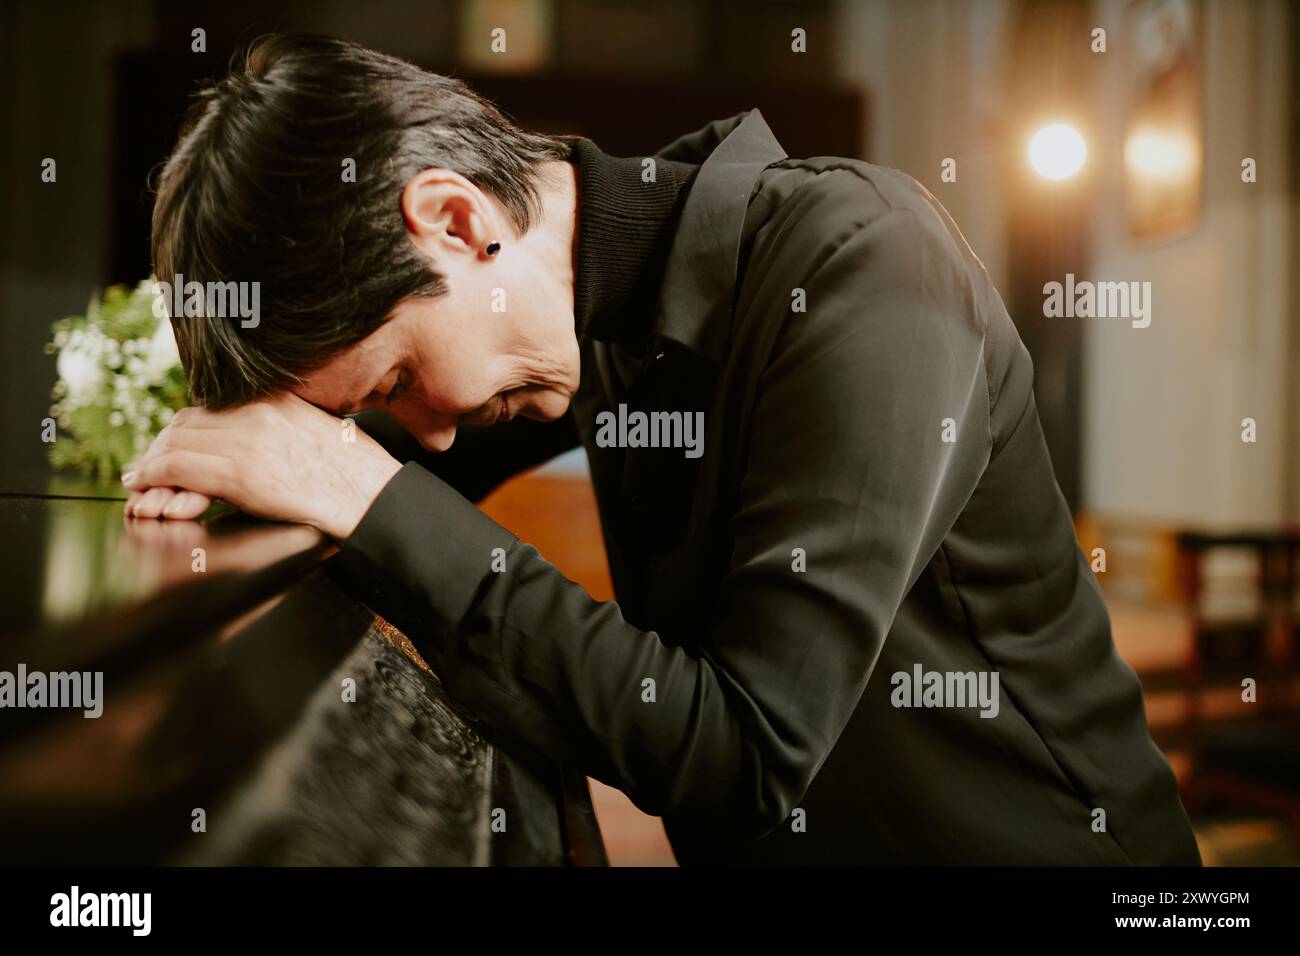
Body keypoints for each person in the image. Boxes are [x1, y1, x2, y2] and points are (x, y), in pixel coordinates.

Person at [126, 34, 1201, 865]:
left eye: (396, 381)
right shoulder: (582, 322)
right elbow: (365, 492)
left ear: (454, 220)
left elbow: (743, 755)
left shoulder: (866, 266)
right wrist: (248, 469)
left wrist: (363, 490)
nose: (433, 429)